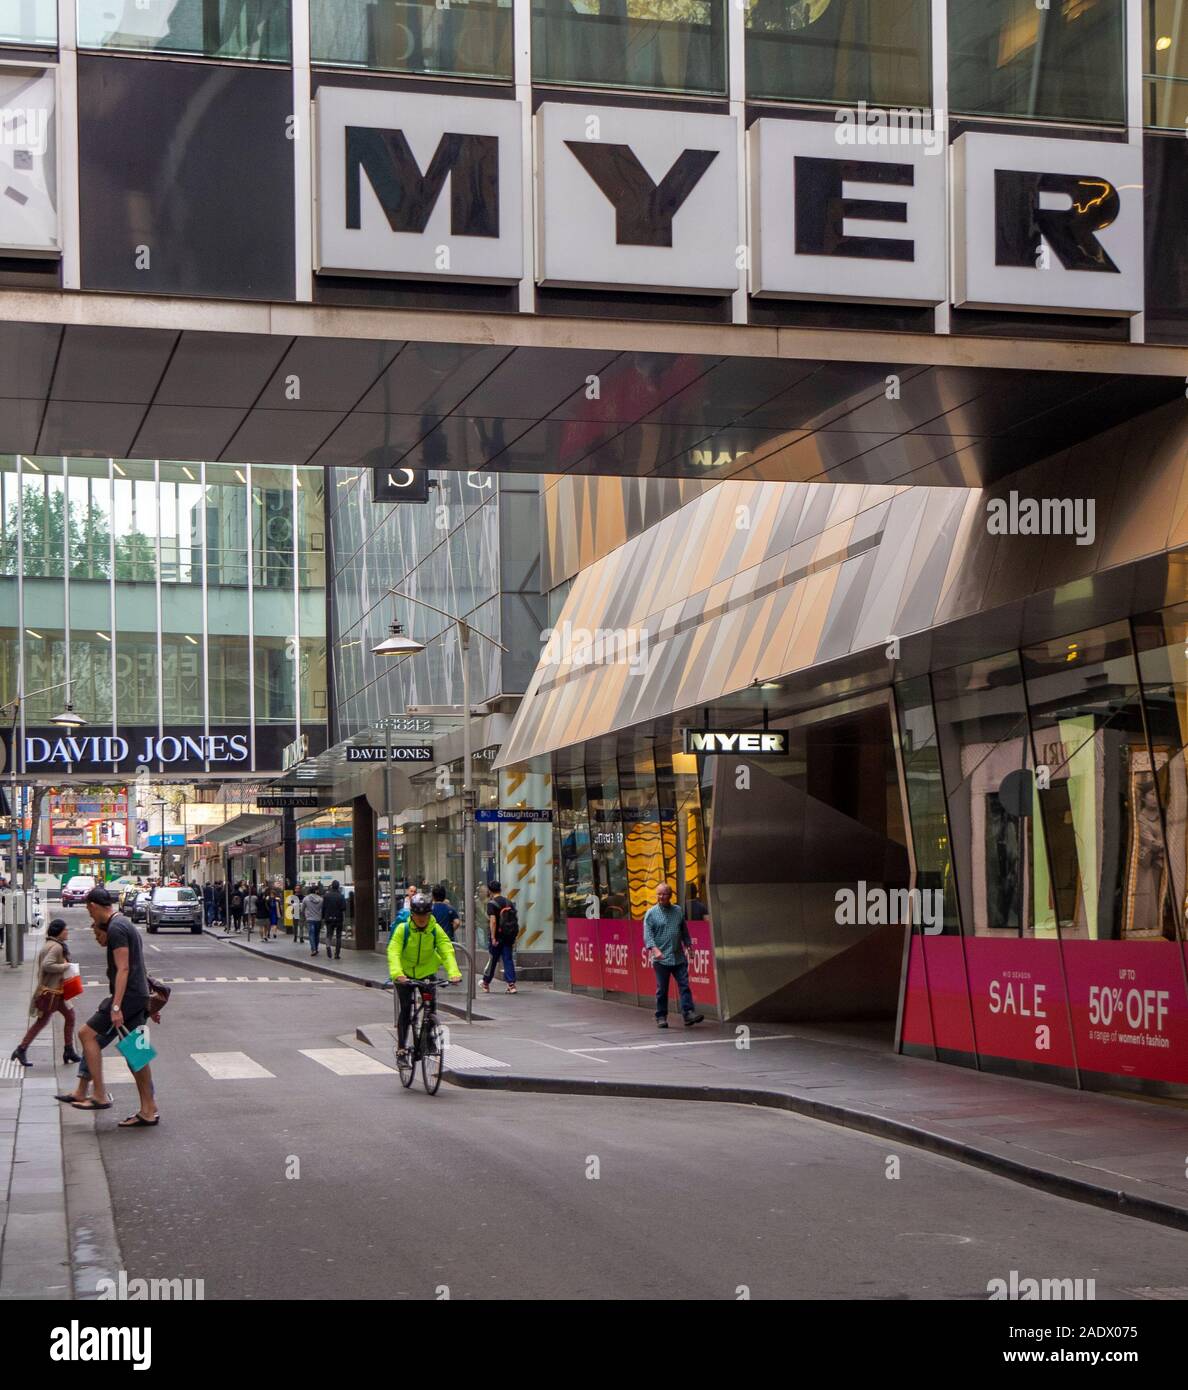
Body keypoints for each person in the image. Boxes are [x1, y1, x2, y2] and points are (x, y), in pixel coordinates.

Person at [66, 886, 160, 1128]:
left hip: (127, 997)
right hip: (137, 996)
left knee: (86, 1034)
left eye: (89, 912)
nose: (90, 917)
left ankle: (98, 1094)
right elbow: (138, 964)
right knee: (136, 1054)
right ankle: (149, 1110)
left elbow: (124, 968)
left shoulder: (117, 927)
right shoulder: (126, 924)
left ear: (94, 907)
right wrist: (147, 998)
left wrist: (116, 1006)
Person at [387, 893, 461, 1062]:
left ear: (430, 914)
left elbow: (446, 949)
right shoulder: (402, 929)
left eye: (425, 915)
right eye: (418, 915)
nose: (422, 919)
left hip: (427, 971)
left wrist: (454, 973)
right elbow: (394, 951)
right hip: (404, 974)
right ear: (412, 914)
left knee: (431, 1006)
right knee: (406, 1008)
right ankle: (401, 1050)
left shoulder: (435, 929)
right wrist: (398, 973)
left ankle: (428, 1040)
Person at [10, 919, 81, 1068]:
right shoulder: (56, 947)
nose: (67, 932)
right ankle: (22, 1049)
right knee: (53, 1019)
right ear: (59, 932)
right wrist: (65, 966)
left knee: (67, 1017)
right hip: (53, 992)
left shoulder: (50, 944)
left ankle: (68, 1050)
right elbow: (47, 965)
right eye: (65, 929)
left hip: (55, 991)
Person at [643, 882, 704, 1031]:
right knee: (662, 989)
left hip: (678, 956)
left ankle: (688, 1013)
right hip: (661, 959)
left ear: (670, 895)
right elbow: (647, 935)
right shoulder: (651, 913)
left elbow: (684, 931)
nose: (661, 897)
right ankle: (661, 1016)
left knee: (684, 985)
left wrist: (689, 946)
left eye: (664, 894)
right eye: (659, 894)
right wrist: (655, 950)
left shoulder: (677, 911)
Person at [480, 880, 518, 995]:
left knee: (493, 960)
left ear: (490, 891)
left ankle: (486, 983)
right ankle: (511, 985)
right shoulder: (508, 902)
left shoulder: (492, 904)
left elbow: (493, 921)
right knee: (508, 959)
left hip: (497, 937)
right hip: (508, 936)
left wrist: (493, 937)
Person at [429, 885, 461, 986]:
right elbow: (457, 922)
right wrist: (451, 930)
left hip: (433, 939)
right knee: (449, 957)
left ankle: (430, 976)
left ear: (433, 896)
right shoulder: (449, 908)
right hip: (448, 938)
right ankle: (453, 978)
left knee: (431, 958)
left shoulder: (430, 909)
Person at [322, 879, 346, 959]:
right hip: (338, 918)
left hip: (328, 918)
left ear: (332, 886)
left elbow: (323, 908)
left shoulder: (326, 896)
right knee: (338, 936)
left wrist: (323, 917)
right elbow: (343, 908)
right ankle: (337, 953)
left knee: (329, 934)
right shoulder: (341, 896)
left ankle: (328, 947)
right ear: (338, 886)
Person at [303, 882, 324, 957]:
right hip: (318, 919)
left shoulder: (306, 899)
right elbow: (322, 909)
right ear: (316, 891)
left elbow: (302, 909)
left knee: (311, 934)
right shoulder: (321, 899)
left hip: (309, 919)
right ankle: (316, 948)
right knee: (317, 934)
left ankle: (313, 949)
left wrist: (305, 915)